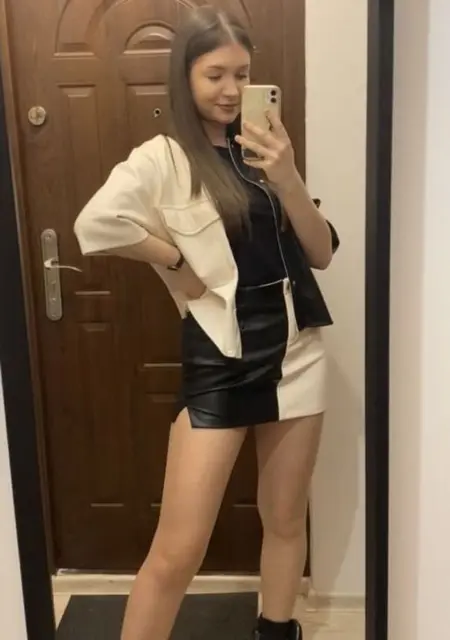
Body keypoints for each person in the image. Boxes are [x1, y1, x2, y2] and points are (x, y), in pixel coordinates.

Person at [74, 6, 339, 640]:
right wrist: (172, 261)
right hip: (221, 354)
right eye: (214, 74)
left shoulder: (265, 151)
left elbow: (321, 252)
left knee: (285, 521)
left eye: (241, 75)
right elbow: (95, 224)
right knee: (178, 549)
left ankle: (276, 631)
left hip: (296, 350)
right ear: (184, 77)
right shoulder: (163, 158)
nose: (229, 89)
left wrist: (287, 176)